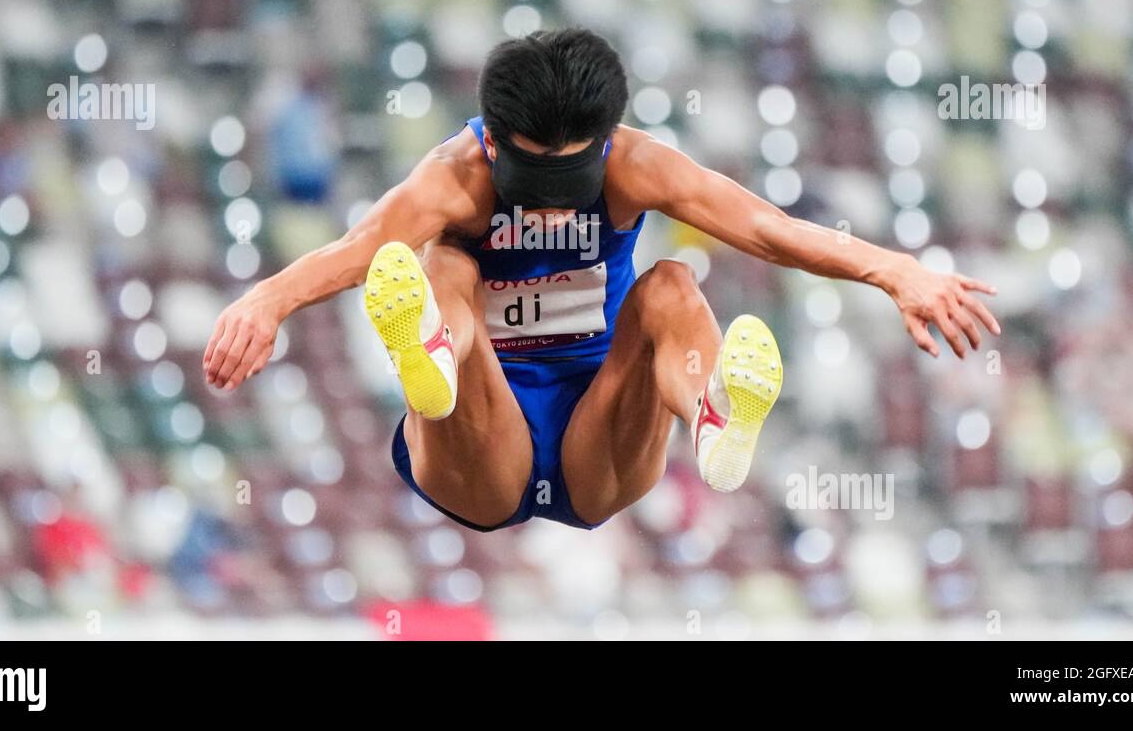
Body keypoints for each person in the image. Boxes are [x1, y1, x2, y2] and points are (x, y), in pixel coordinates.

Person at [202, 28, 999, 532]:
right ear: (496, 145)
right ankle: (435, 364)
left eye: (567, 186)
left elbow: (767, 228)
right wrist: (265, 300)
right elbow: (358, 248)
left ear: (603, 141)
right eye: (530, 185)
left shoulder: (637, 164)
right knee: (435, 260)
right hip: (482, 436)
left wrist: (895, 270)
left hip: (600, 429)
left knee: (672, 285)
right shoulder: (453, 178)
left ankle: (713, 418)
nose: (548, 214)